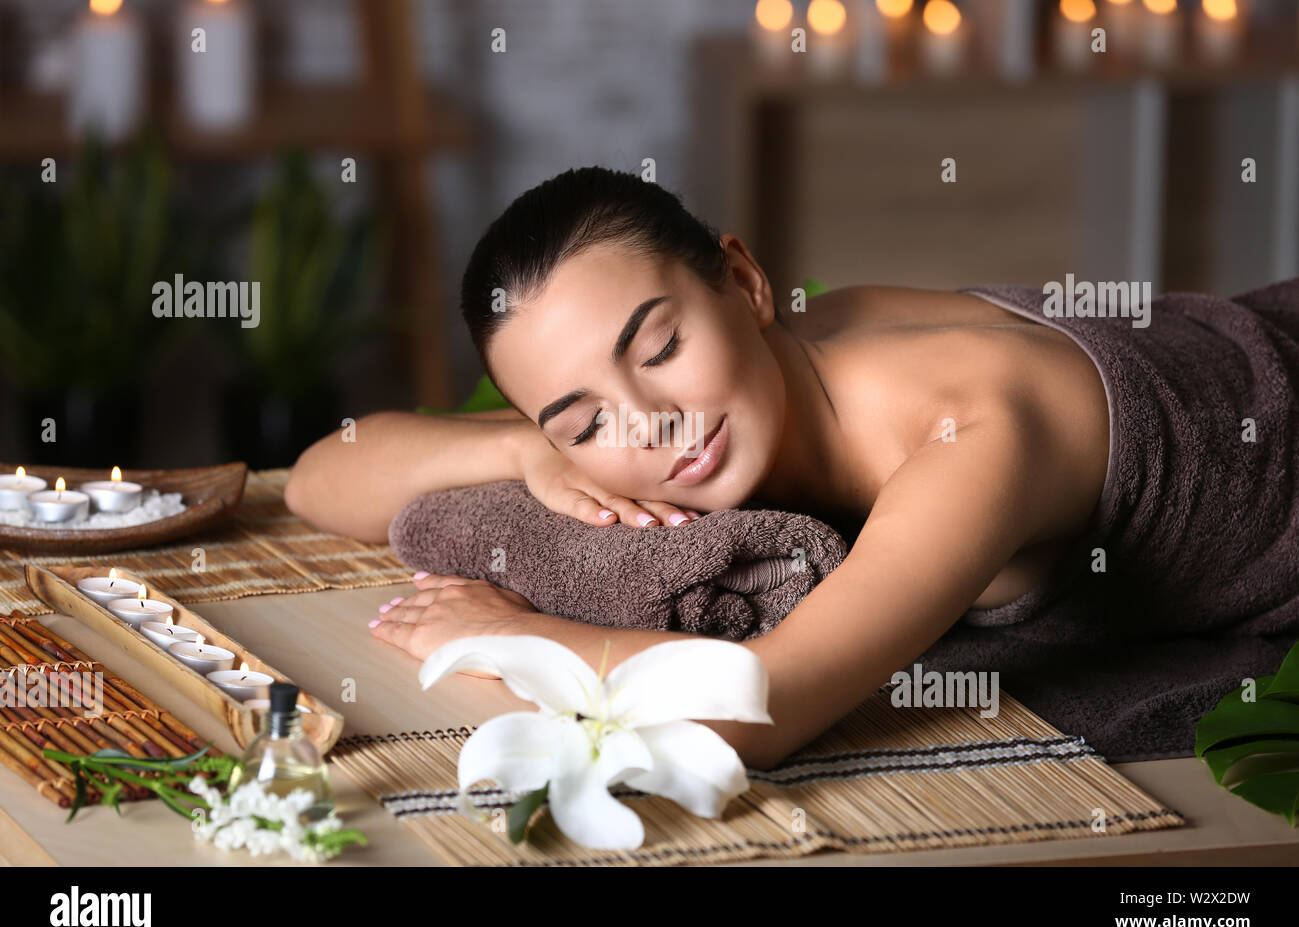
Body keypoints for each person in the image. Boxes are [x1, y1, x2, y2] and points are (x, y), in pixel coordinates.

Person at [285, 165, 1111, 770]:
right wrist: (520, 448)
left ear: (747, 283)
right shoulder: (699, 395)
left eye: (661, 347)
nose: (647, 423)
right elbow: (318, 479)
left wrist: (506, 634)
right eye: (584, 420)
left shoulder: (975, 428)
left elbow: (758, 707)